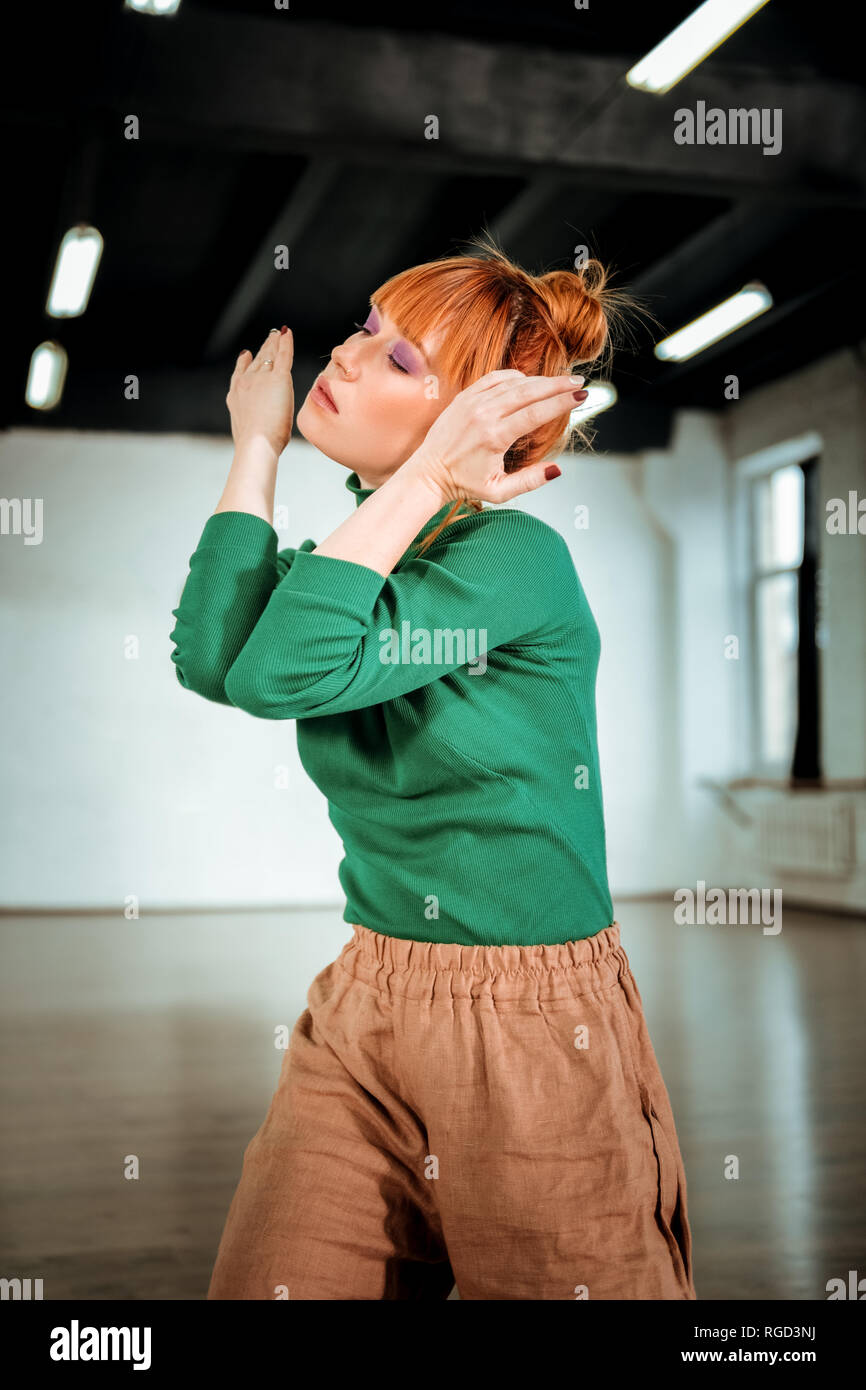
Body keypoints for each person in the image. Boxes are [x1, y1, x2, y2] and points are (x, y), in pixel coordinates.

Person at [169, 234, 696, 1300]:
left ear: (477, 425)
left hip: (533, 1021)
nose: (351, 355)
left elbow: (281, 676)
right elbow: (215, 661)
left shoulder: (513, 559)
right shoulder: (357, 558)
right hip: (366, 993)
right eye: (368, 326)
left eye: (402, 361)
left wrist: (422, 482)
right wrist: (256, 453)